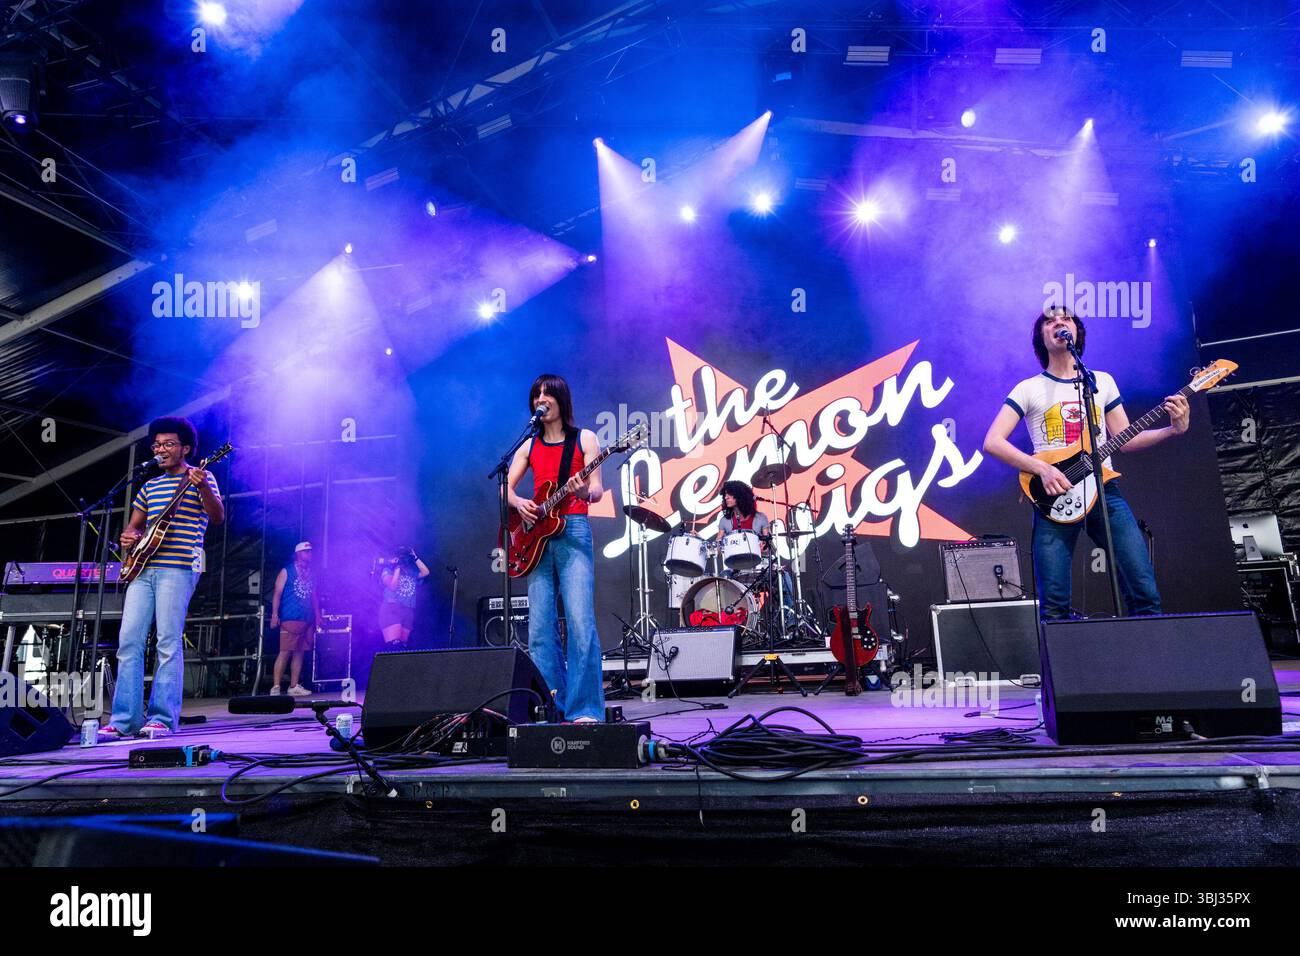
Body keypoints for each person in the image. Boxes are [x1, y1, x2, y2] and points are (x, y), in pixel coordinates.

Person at [982, 305, 1190, 620]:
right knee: (1054, 603)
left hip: (1104, 492)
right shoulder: (1028, 388)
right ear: (1041, 336)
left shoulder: (1100, 382)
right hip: (1054, 496)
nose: (1059, 323)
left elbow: (1126, 438)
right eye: (1050, 321)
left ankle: (1149, 651)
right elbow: (993, 441)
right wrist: (1041, 468)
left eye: (1066, 319)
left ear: (1077, 332)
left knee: (1144, 591)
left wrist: (1173, 430)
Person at [101, 417, 224, 740]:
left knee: (168, 641)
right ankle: (124, 720)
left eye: (169, 444)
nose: (161, 449)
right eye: (157, 445)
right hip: (142, 569)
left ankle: (162, 718)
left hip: (179, 568)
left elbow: (217, 516)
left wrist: (201, 486)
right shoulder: (150, 486)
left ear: (186, 448)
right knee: (129, 641)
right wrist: (128, 537)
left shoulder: (203, 477)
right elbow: (134, 528)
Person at [506, 373, 605, 724]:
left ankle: (585, 709)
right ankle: (550, 707)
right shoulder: (528, 445)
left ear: (562, 399)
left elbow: (597, 490)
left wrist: (583, 491)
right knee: (539, 629)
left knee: (580, 621)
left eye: (547, 394)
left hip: (573, 528)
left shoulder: (585, 438)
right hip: (536, 537)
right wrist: (518, 502)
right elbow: (505, 488)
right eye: (536, 394)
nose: (541, 399)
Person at [269, 541, 322, 696]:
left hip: (306, 618)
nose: (310, 554)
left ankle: (293, 686)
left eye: (311, 551)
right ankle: (276, 687)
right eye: (307, 552)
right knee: (285, 652)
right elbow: (277, 594)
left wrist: (317, 615)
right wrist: (274, 614)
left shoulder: (312, 573)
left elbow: (314, 596)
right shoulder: (287, 571)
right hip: (290, 617)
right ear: (298, 554)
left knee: (300, 652)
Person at [379, 546, 429, 647]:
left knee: (403, 646)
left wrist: (415, 557)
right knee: (394, 645)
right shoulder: (388, 570)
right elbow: (393, 586)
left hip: (408, 610)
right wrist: (397, 567)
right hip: (392, 608)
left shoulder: (411, 572)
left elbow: (426, 572)